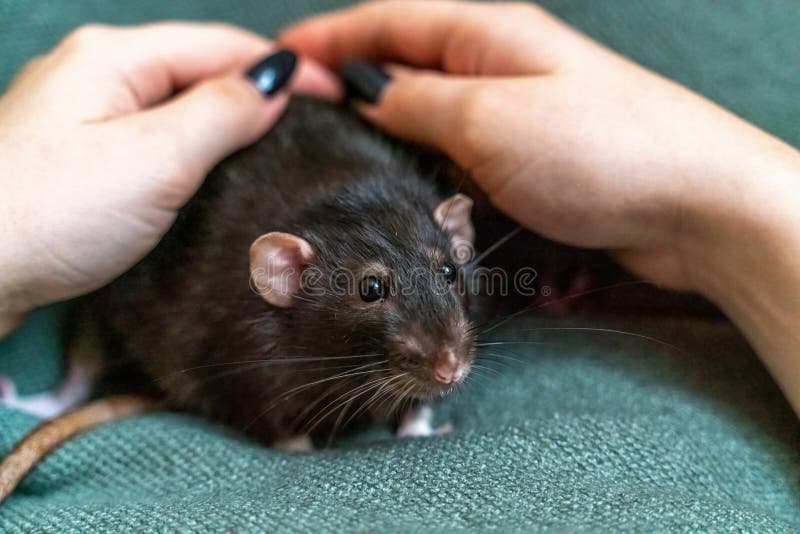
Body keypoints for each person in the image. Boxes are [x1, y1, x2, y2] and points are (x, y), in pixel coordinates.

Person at [1, 1, 798, 416]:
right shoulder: (241, 300)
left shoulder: (432, 217)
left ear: (456, 228)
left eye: (447, 270)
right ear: (282, 271)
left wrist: (704, 203)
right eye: (376, 291)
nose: (452, 362)